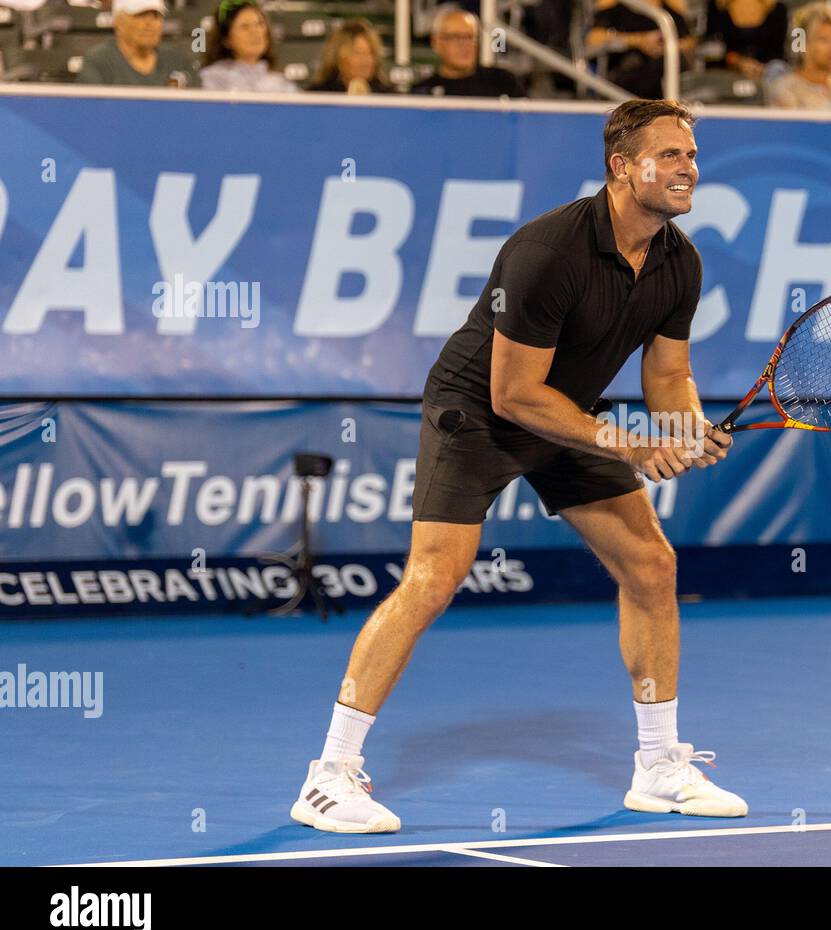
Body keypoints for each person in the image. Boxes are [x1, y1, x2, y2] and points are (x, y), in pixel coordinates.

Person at [290, 99, 748, 834]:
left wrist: (683, 428)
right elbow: (512, 393)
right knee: (435, 576)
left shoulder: (678, 261)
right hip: (478, 410)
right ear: (622, 167)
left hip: (568, 410)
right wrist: (629, 443)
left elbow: (667, 376)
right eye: (670, 155)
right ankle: (329, 775)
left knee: (651, 565)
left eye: (692, 155)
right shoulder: (548, 251)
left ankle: (660, 767)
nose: (689, 169)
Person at [586, 0, 696, 98]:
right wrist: (640, 41)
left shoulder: (671, 5)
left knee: (665, 66)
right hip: (627, 65)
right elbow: (594, 37)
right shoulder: (612, 3)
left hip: (664, 64)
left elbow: (689, 41)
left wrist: (665, 47)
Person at [412, 5, 526, 97]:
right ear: (436, 43)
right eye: (455, 37)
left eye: (469, 37)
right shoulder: (423, 93)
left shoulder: (503, 82)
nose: (464, 45)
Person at [77, 0, 197, 87]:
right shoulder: (100, 61)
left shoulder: (175, 60)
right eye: (140, 15)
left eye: (155, 16)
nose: (149, 23)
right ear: (118, 21)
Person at [199, 0, 298, 92]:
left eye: (260, 24)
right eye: (245, 27)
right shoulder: (212, 80)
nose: (256, 32)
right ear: (226, 40)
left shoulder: (282, 85)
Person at [704, 0, 789, 81]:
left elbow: (778, 52)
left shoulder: (778, 9)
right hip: (724, 76)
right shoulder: (716, 7)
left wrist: (760, 68)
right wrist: (737, 61)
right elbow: (711, 51)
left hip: (767, 76)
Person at [307, 19, 393, 94]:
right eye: (358, 53)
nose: (365, 62)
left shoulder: (391, 99)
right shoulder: (316, 98)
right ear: (339, 57)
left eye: (370, 53)